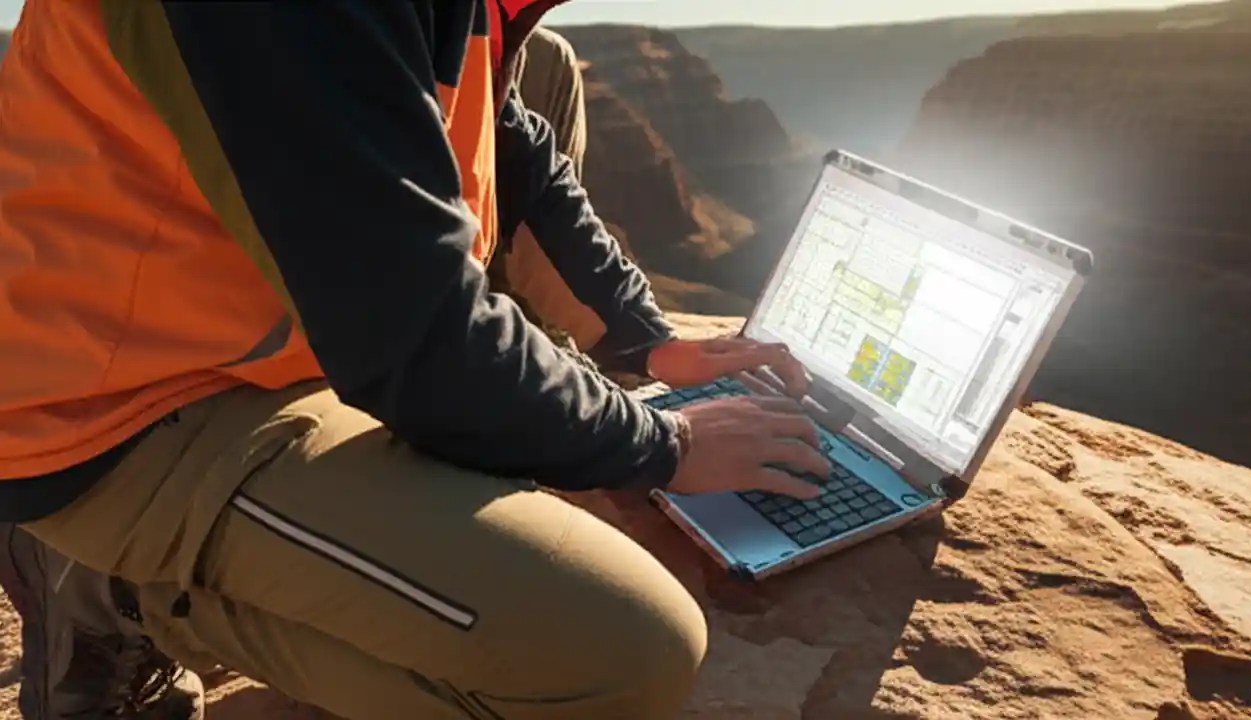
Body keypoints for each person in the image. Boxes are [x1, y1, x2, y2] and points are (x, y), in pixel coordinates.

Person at [0, 3, 831, 719]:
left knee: (546, 68)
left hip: (279, 346)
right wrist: (660, 445)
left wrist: (649, 344)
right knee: (625, 653)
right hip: (119, 408)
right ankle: (120, 592)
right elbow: (413, 336)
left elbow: (500, 135)